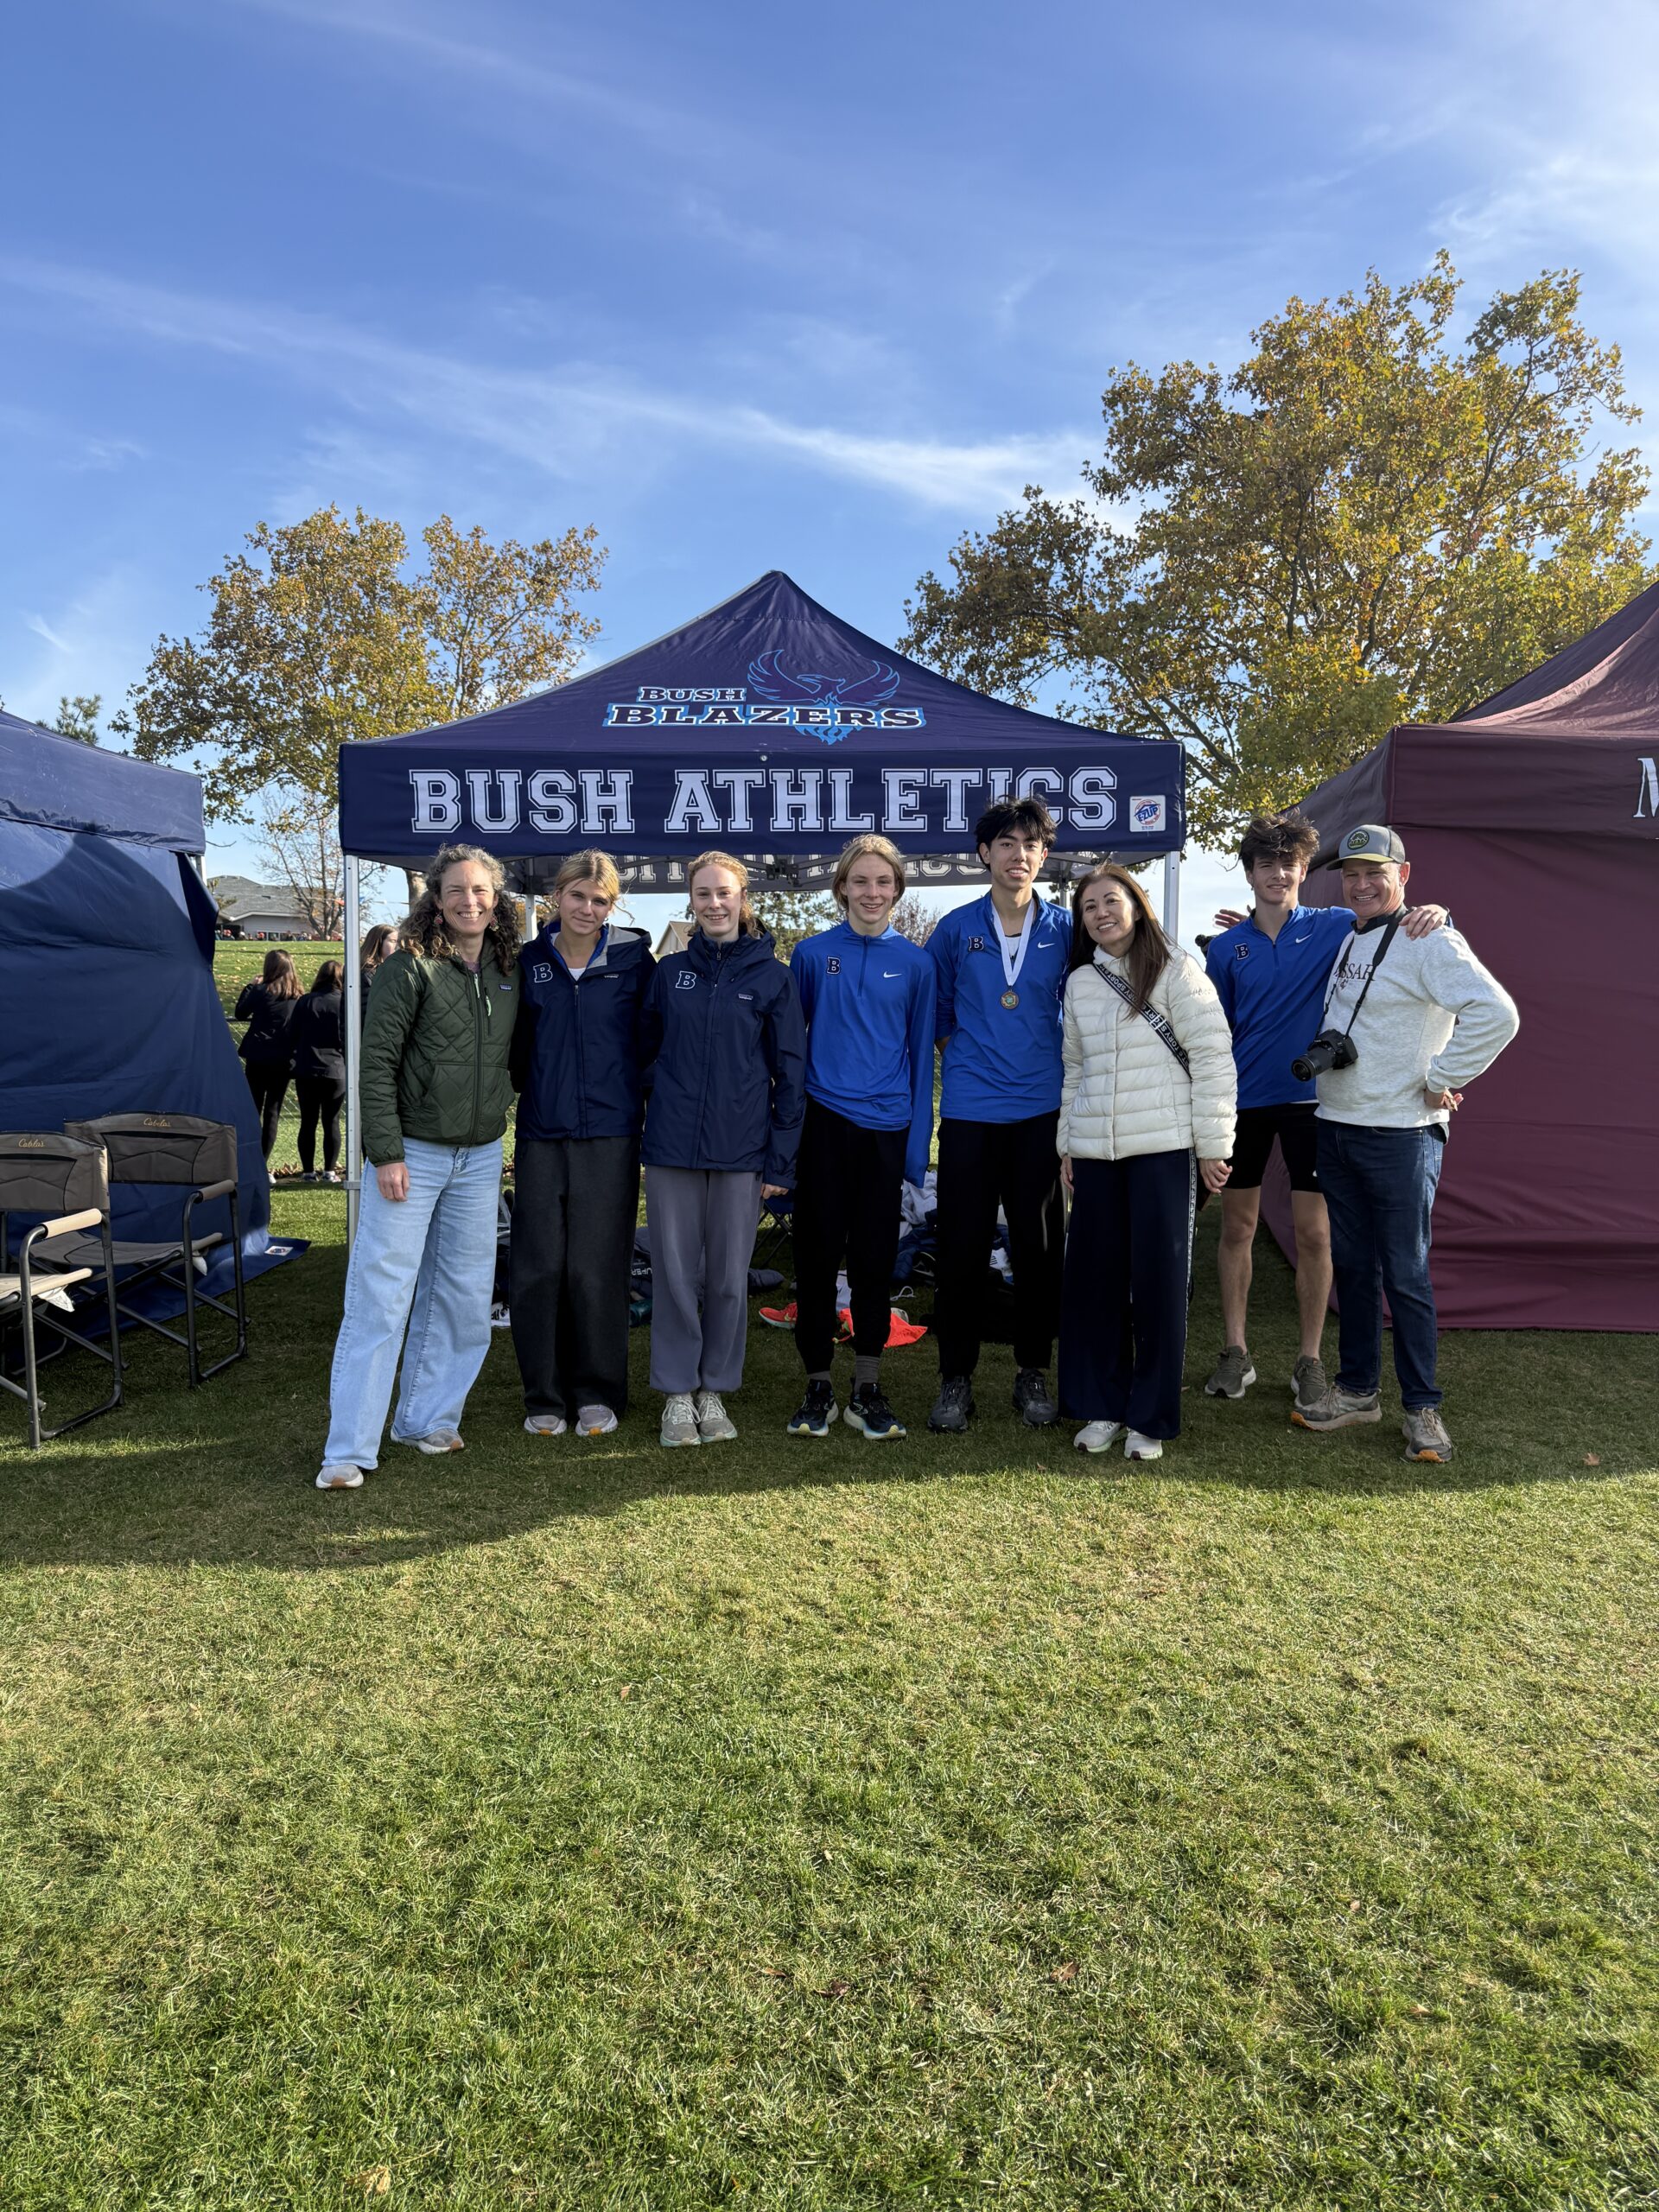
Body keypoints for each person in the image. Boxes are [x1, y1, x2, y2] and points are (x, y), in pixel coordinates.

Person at [1203, 811, 1447, 1413]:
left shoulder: (1339, 924)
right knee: (1238, 1228)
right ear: (1250, 871)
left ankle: (1310, 1360)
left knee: (1315, 1234)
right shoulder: (1228, 947)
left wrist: (1440, 913)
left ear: (1304, 870)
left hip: (1318, 1106)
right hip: (1245, 1105)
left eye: (1288, 864)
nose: (1278, 874)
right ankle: (1235, 1351)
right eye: (1266, 864)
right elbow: (1213, 1033)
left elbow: (1394, 920)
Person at [1291, 825, 1518, 1462]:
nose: (1362, 884)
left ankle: (1423, 1409)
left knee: (1407, 1275)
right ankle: (1359, 1391)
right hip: (1336, 1124)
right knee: (1356, 1270)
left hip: (1402, 1136)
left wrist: (1442, 1078)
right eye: (1353, 874)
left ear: (1405, 874)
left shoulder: (1430, 938)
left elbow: (1498, 1014)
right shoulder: (1352, 935)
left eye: (1376, 873)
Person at [315, 844, 520, 1491]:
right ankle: (347, 1449)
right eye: (456, 890)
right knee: (381, 1297)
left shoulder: (506, 967)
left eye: (481, 891)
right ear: (435, 898)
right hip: (414, 1155)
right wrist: (388, 1151)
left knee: (462, 1298)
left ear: (496, 898)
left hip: (481, 1154)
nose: (469, 901)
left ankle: (426, 1418)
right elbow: (373, 1066)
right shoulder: (409, 968)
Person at [1058, 864, 1236, 1461]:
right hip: (1097, 1156)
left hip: (1163, 1149)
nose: (1101, 913)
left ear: (1136, 906)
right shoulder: (1081, 982)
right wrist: (1068, 1143)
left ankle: (1151, 1416)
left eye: (1112, 900)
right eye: (1089, 907)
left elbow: (1213, 1055)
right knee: (1095, 1285)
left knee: (1158, 1287)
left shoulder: (1178, 970)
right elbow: (1075, 1071)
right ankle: (1103, 1405)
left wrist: (1215, 1144)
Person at [639, 851, 805, 1449]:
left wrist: (780, 1162)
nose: (714, 903)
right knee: (677, 1276)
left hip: (743, 1153)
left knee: (730, 1279)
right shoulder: (669, 973)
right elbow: (645, 1054)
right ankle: (678, 1395)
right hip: (671, 1149)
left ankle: (714, 1390)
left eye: (724, 893)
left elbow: (791, 1076)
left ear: (743, 899)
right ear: (691, 900)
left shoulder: (772, 976)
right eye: (703, 893)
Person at [925, 798, 1071, 1433]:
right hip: (970, 1112)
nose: (1018, 855)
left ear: (1043, 856)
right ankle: (955, 1378)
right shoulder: (956, 929)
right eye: (1006, 844)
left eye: (1030, 845)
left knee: (1039, 1250)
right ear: (984, 853)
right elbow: (934, 1012)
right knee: (961, 1248)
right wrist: (968, 1054)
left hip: (1041, 1112)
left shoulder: (1069, 928)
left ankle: (1031, 1370)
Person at [785, 836, 936, 1443]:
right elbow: (791, 1055)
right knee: (817, 1262)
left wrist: (916, 1145)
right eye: (861, 881)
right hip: (822, 1126)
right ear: (842, 886)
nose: (872, 893)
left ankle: (866, 1388)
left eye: (884, 883)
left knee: (874, 1264)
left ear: (897, 890)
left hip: (886, 1131)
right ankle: (818, 1386)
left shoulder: (919, 965)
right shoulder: (813, 955)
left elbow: (922, 1058)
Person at [510, 849, 655, 1440]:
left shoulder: (634, 962)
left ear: (612, 905)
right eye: (578, 896)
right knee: (539, 1266)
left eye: (600, 900)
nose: (588, 909)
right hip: (542, 1132)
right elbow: (516, 1049)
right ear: (557, 896)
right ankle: (543, 1394)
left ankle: (597, 1392)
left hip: (612, 1134)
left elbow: (649, 1042)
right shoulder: (527, 961)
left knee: (597, 1269)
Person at [234, 949, 302, 1160]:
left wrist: (250, 986)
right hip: (283, 1058)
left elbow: (240, 1012)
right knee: (273, 1110)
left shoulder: (262, 991)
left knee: (253, 1108)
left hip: (258, 1056)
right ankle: (263, 1160)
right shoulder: (298, 997)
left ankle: (249, 1157)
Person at [290, 958, 346, 1181]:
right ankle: (330, 1170)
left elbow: (292, 1032)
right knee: (331, 1121)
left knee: (308, 1121)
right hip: (335, 1069)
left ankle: (307, 1171)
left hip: (307, 1069)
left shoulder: (305, 1002)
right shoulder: (344, 1002)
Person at [359, 922, 400, 1023]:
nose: (397, 946)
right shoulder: (366, 972)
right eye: (393, 941)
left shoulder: (386, 968)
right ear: (378, 942)